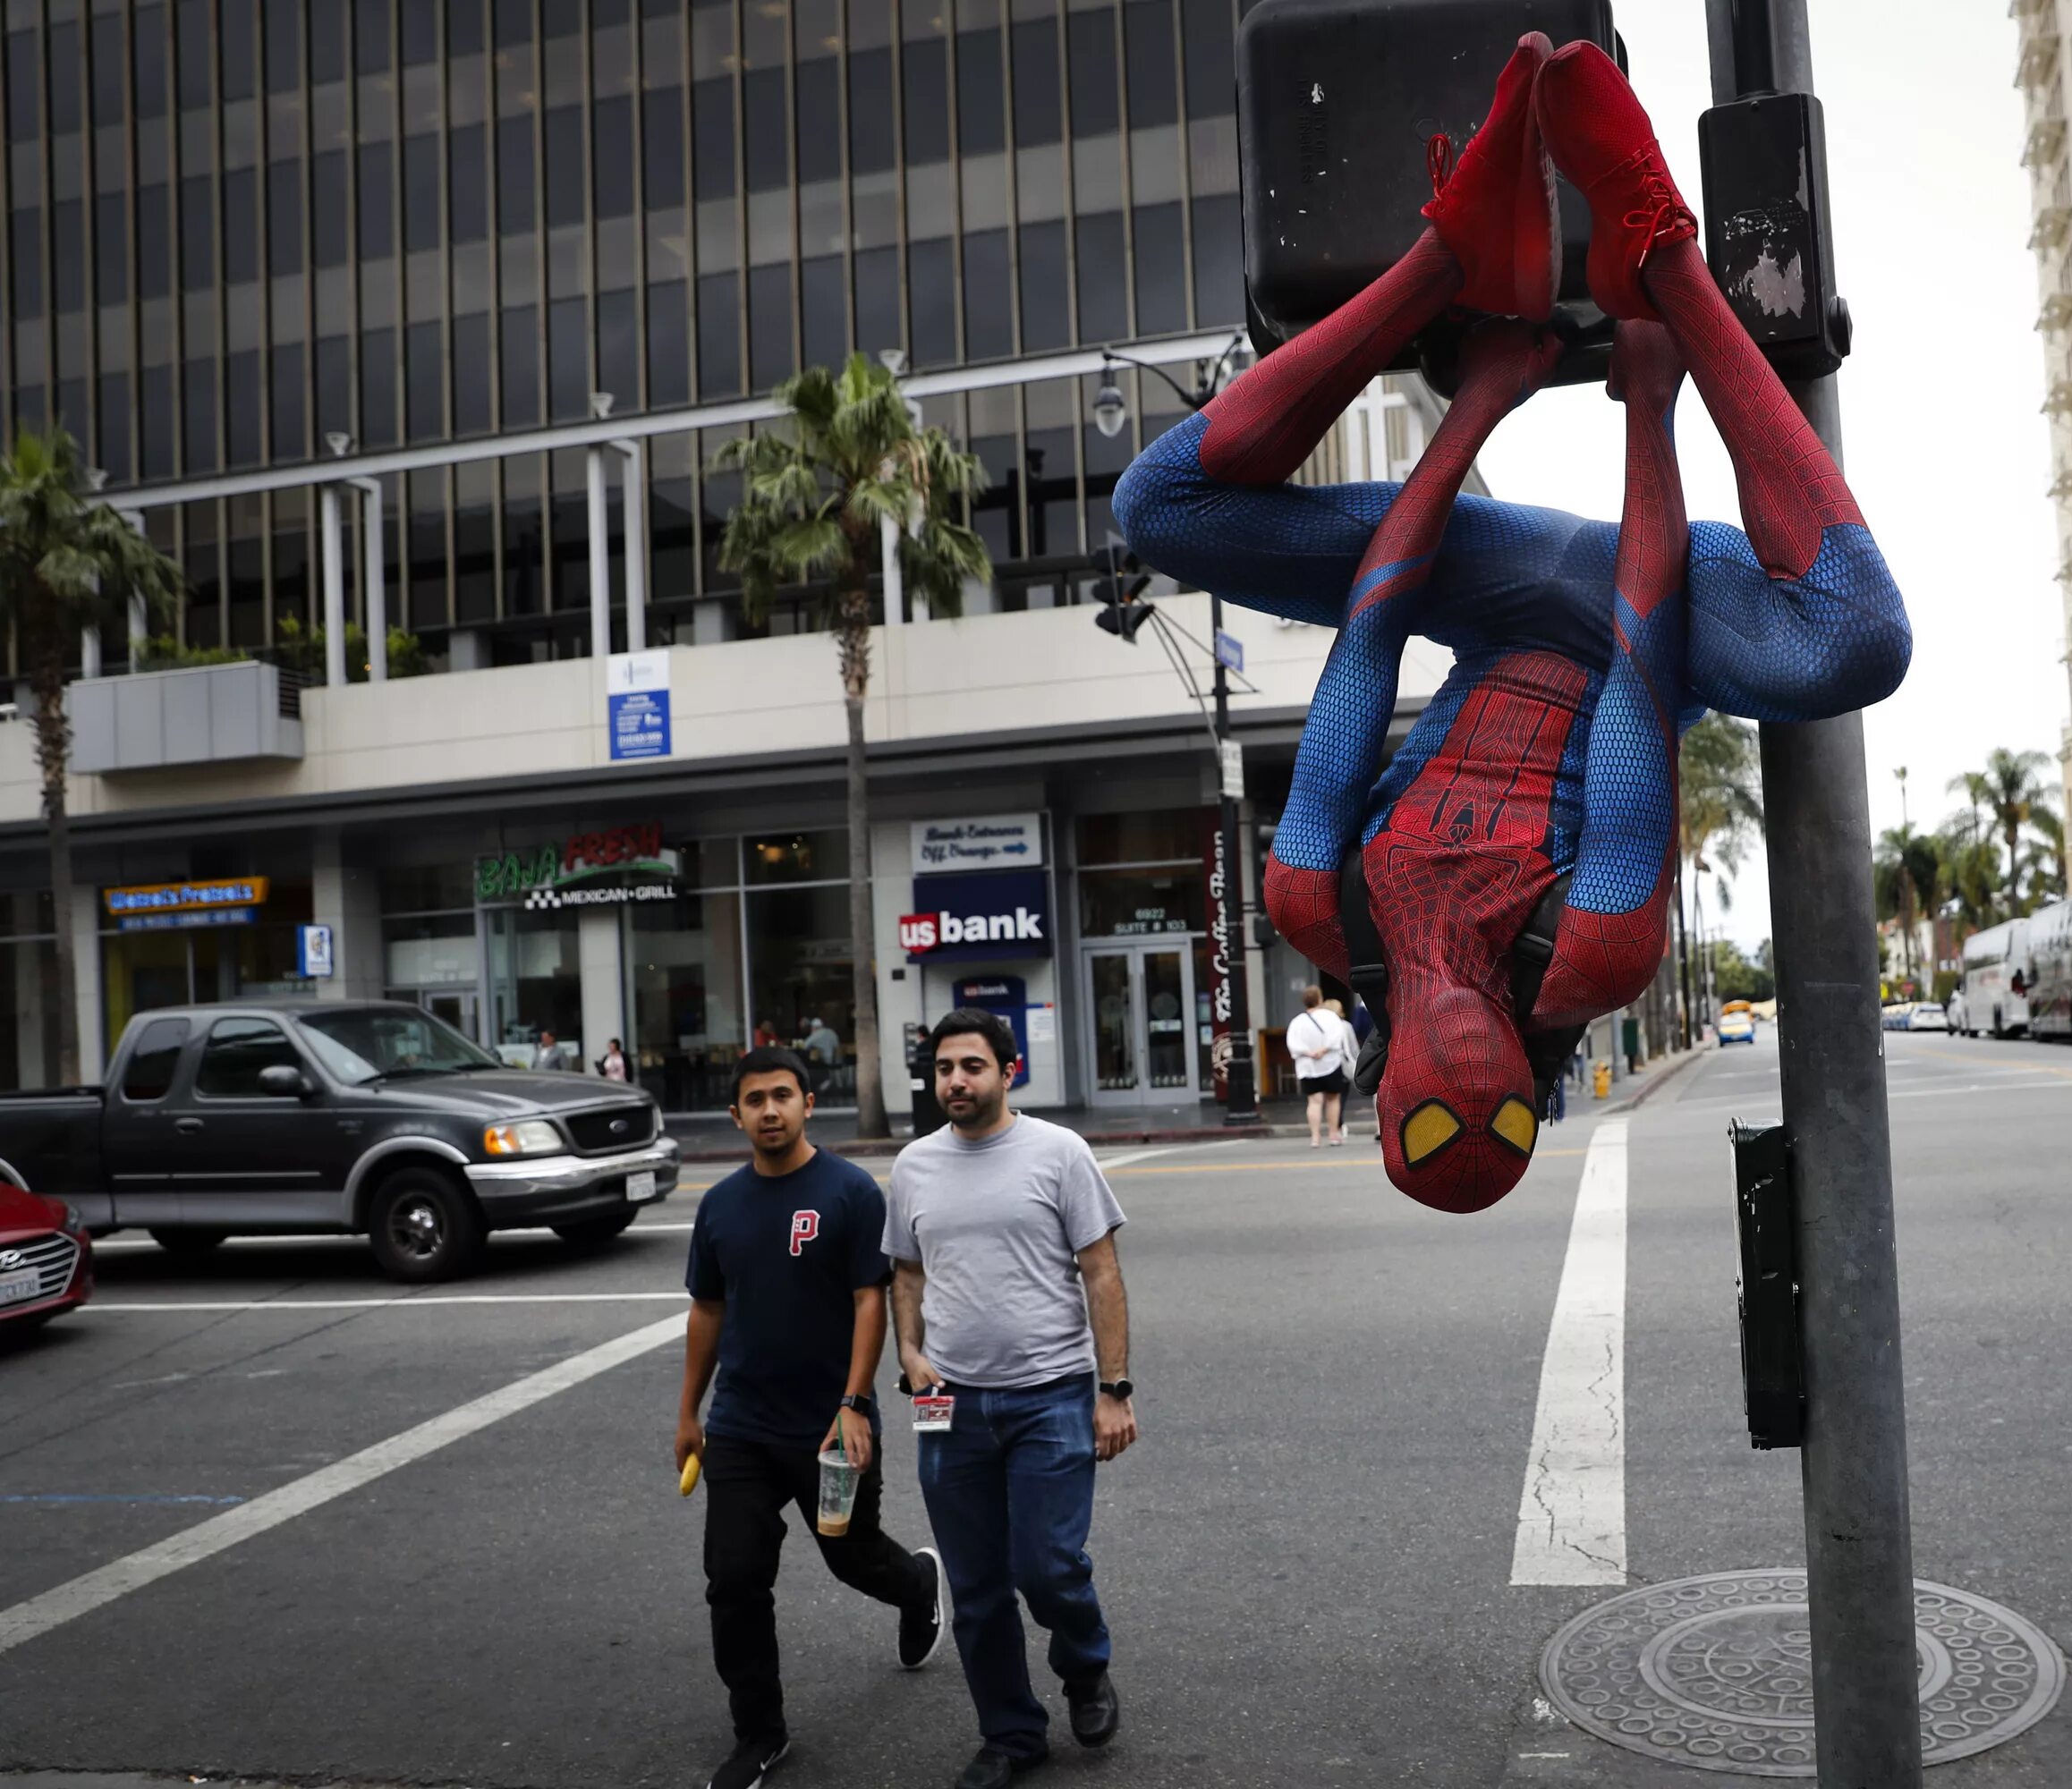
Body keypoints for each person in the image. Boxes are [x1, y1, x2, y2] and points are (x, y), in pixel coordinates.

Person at [1112, 36, 1907, 1214]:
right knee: (1857, 646)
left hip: (1479, 587)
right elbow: (1643, 660)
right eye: (1503, 1121)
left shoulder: (1318, 907)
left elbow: (1374, 629)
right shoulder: (1593, 951)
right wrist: (1651, 385)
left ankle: (1452, 252)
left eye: (1434, 1121)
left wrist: (1472, 402)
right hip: (1657, 598)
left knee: (1158, 504)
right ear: (1538, 1104)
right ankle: (1661, 243)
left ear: (1386, 1102)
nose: (1472, 1092)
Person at [677, 1047, 950, 1789]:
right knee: (733, 1578)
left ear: (807, 1103)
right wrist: (688, 1413)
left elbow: (872, 1301)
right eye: (755, 1100)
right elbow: (707, 1309)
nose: (769, 1110)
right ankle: (759, 1733)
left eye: (782, 1096)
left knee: (849, 1556)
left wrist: (854, 1404)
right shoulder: (720, 1205)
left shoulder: (850, 1192)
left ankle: (916, 1587)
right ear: (735, 1114)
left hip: (831, 1427)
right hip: (740, 1426)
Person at [888, 1008, 1135, 1789]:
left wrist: (1114, 1389)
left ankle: (1085, 1663)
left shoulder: (1058, 1153)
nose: (955, 1082)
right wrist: (910, 1350)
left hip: (1051, 1394)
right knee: (976, 1588)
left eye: (971, 1066)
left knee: (1046, 1565)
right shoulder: (915, 1165)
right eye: (943, 1070)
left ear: (1008, 1071)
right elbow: (907, 1274)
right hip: (949, 1404)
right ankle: (1011, 1733)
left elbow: (1101, 1271)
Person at [1285, 986, 1353, 1149]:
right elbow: (1337, 1037)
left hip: (1308, 1066)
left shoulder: (1297, 1022)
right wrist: (1323, 1050)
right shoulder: (1330, 1017)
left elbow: (1292, 1044)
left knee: (1314, 1102)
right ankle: (1333, 1134)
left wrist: (1309, 1053)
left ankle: (1315, 1137)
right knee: (1332, 1099)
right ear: (1320, 999)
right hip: (1330, 1063)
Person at [1322, 994, 1360, 1140]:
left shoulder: (1322, 1025)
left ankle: (1334, 1125)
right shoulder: (1345, 1026)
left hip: (1323, 1064)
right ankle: (1338, 1124)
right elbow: (1353, 1047)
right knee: (1340, 1097)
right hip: (1342, 1064)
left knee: (1326, 1098)